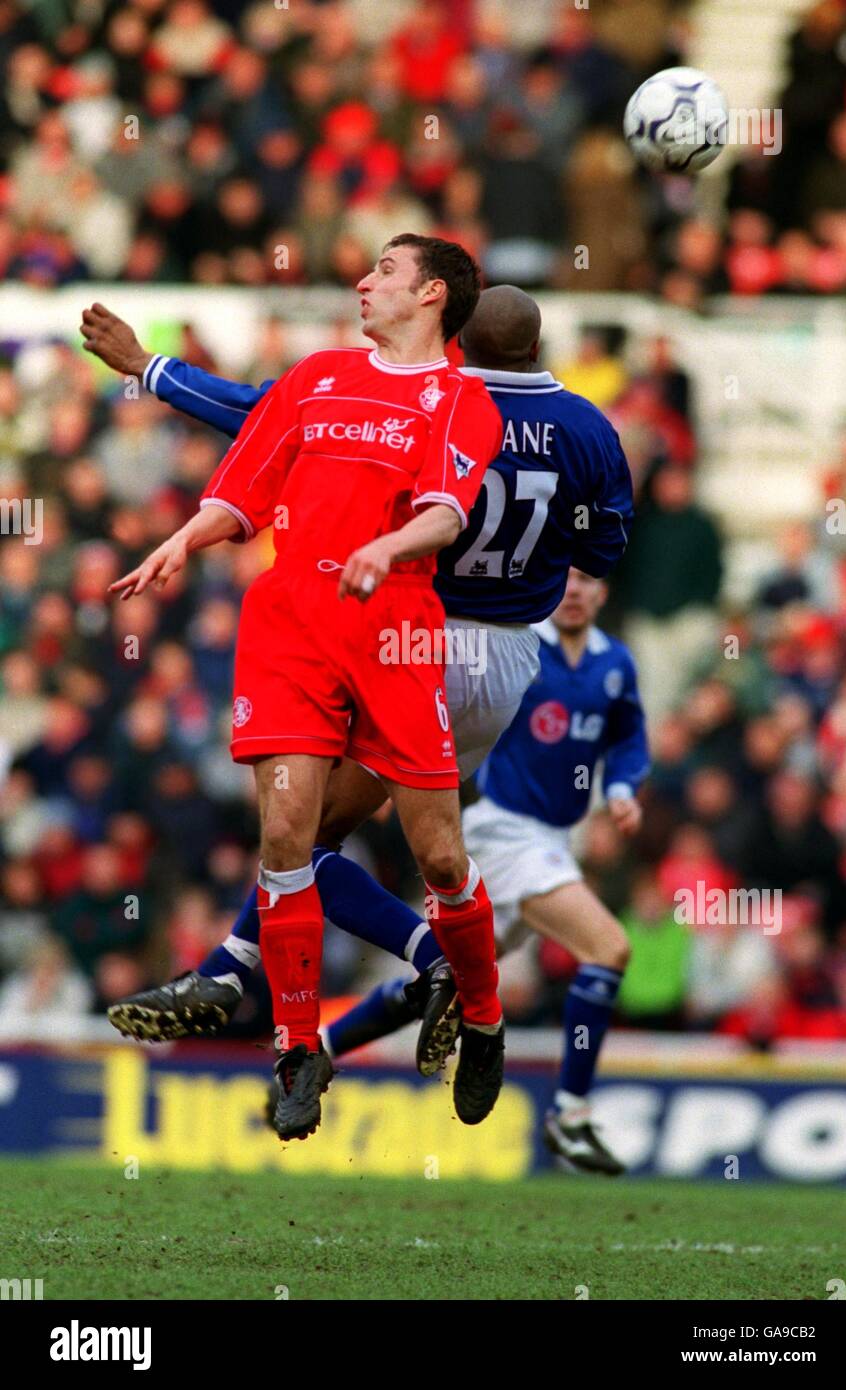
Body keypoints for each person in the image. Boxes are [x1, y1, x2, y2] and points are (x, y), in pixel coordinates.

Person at [81, 278, 635, 1111]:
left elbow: (263, 414)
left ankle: (278, 973)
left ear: (460, 337)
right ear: (534, 346)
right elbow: (608, 542)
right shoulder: (590, 427)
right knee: (346, 838)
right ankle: (254, 972)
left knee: (302, 839)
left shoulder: (434, 394)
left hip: (408, 632)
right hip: (507, 658)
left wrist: (150, 369)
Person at [101, 235, 507, 1140]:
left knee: (440, 856)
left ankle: (482, 1017)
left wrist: (388, 547)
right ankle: (294, 1048)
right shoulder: (315, 375)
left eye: (386, 272)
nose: (363, 281)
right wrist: (184, 539)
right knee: (286, 831)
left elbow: (446, 512)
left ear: (433, 293)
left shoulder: (462, 400)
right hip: (290, 626)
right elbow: (243, 490)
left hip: (397, 630)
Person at [323, 568, 649, 1175]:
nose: (575, 589)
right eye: (567, 578)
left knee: (446, 978)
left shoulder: (615, 664)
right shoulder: (518, 644)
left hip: (555, 843)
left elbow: (629, 737)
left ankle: (325, 1047)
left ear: (605, 591)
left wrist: (625, 786)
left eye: (588, 579)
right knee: (608, 948)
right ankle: (570, 1115)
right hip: (506, 833)